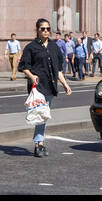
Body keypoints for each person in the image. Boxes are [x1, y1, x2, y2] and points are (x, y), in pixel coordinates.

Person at [18, 18, 72, 157]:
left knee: (43, 115)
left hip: (50, 85)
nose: (46, 31)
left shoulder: (54, 46)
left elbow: (58, 69)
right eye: (43, 29)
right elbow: (24, 66)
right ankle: (39, 144)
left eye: (48, 28)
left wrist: (65, 84)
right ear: (37, 30)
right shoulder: (31, 47)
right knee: (42, 114)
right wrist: (31, 76)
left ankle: (39, 143)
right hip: (37, 86)